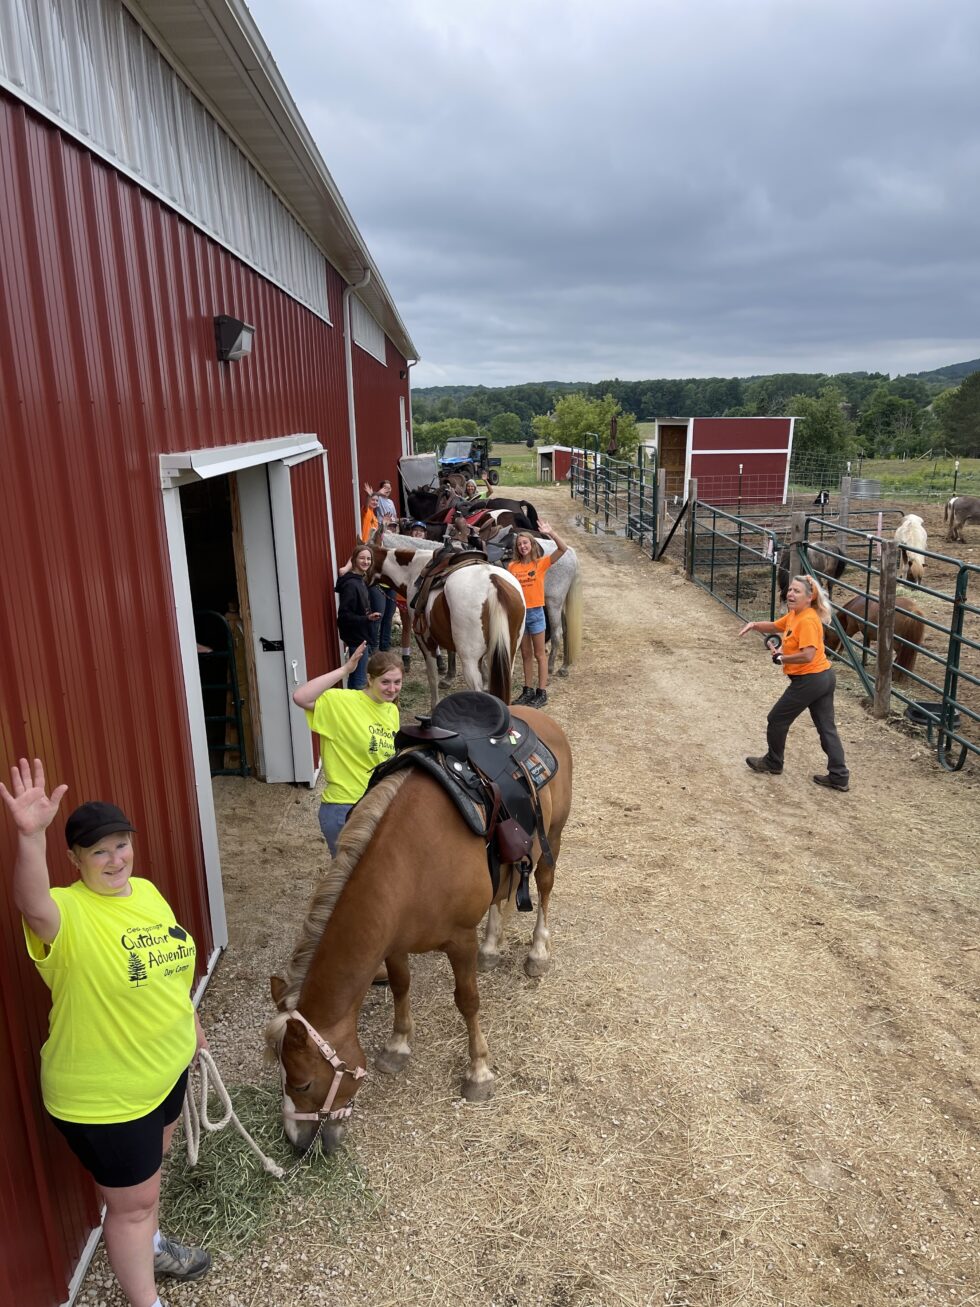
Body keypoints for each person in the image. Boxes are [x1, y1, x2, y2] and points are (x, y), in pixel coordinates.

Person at [1, 759, 211, 1307]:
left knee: (147, 1184)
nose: (115, 859)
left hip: (165, 1071)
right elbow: (31, 903)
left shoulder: (145, 892)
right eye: (98, 851)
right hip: (107, 1097)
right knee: (132, 1207)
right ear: (74, 860)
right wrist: (30, 837)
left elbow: (171, 966)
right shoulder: (67, 912)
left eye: (121, 845)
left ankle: (152, 1246)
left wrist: (192, 1024)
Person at [738, 574, 850, 791]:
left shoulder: (807, 620)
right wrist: (754, 624)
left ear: (809, 598)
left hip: (810, 679)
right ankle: (839, 775)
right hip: (823, 677)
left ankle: (773, 762)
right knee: (826, 728)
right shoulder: (795, 615)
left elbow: (808, 655)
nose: (790, 593)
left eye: (797, 591)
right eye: (790, 589)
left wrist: (782, 658)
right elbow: (774, 626)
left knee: (777, 718)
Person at [293, 649, 402, 855]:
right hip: (345, 807)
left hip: (377, 806)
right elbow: (300, 697)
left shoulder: (391, 711)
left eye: (397, 682)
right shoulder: (342, 702)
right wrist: (345, 670)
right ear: (369, 679)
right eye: (385, 682)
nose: (392, 689)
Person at [507, 521, 567, 708]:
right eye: (519, 544)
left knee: (540, 654)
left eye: (525, 543)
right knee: (525, 654)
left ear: (532, 545)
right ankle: (528, 690)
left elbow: (563, 549)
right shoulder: (512, 567)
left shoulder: (540, 564)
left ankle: (541, 692)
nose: (522, 546)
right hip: (520, 614)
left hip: (536, 614)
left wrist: (551, 533)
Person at [336, 546, 381, 689]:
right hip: (356, 637)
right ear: (354, 560)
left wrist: (368, 616)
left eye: (368, 559)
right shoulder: (351, 584)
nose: (366, 562)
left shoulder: (359, 579)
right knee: (359, 680)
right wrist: (366, 619)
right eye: (362, 558)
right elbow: (344, 616)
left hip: (361, 634)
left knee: (355, 674)